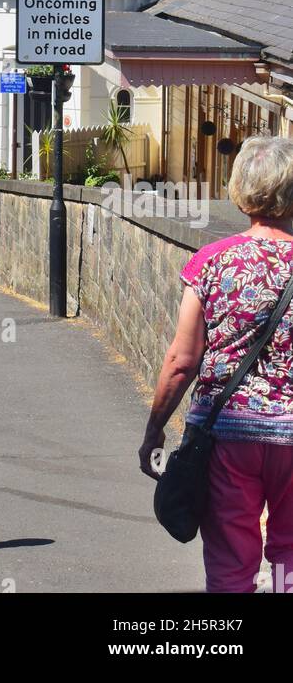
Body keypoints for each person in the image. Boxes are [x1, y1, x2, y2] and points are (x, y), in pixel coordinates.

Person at [140, 137, 293, 594]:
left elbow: (182, 361)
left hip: (226, 436)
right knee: (290, 553)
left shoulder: (212, 262)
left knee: (230, 561)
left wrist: (154, 430)